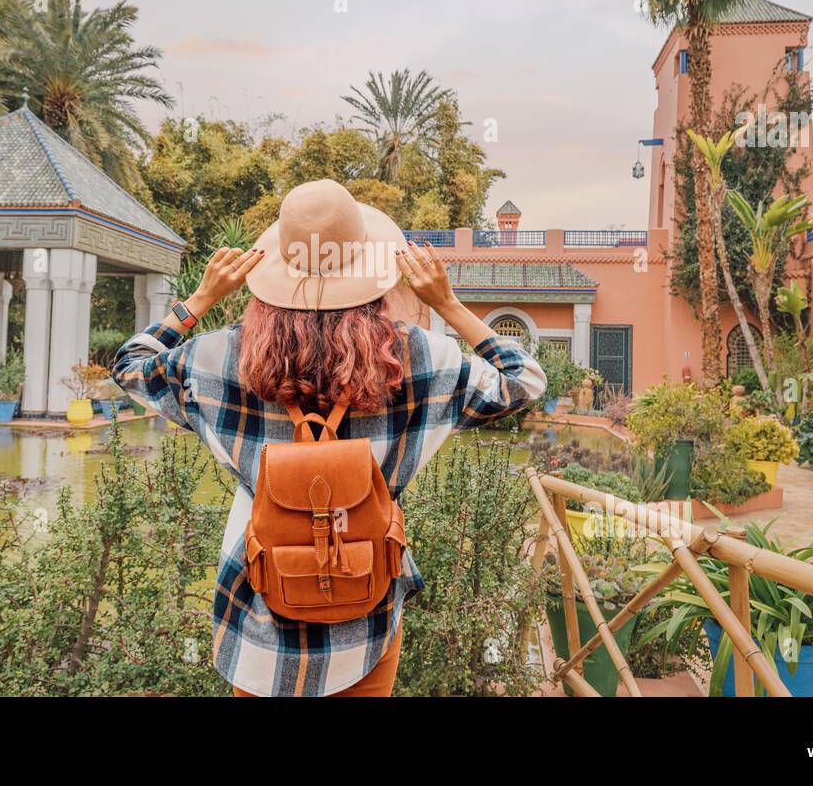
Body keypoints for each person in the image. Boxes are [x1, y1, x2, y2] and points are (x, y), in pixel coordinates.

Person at [112, 179, 545, 696]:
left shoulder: (216, 359)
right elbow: (523, 381)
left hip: (258, 615)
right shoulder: (420, 360)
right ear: (371, 272)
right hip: (366, 617)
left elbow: (130, 366)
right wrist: (448, 304)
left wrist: (200, 299)